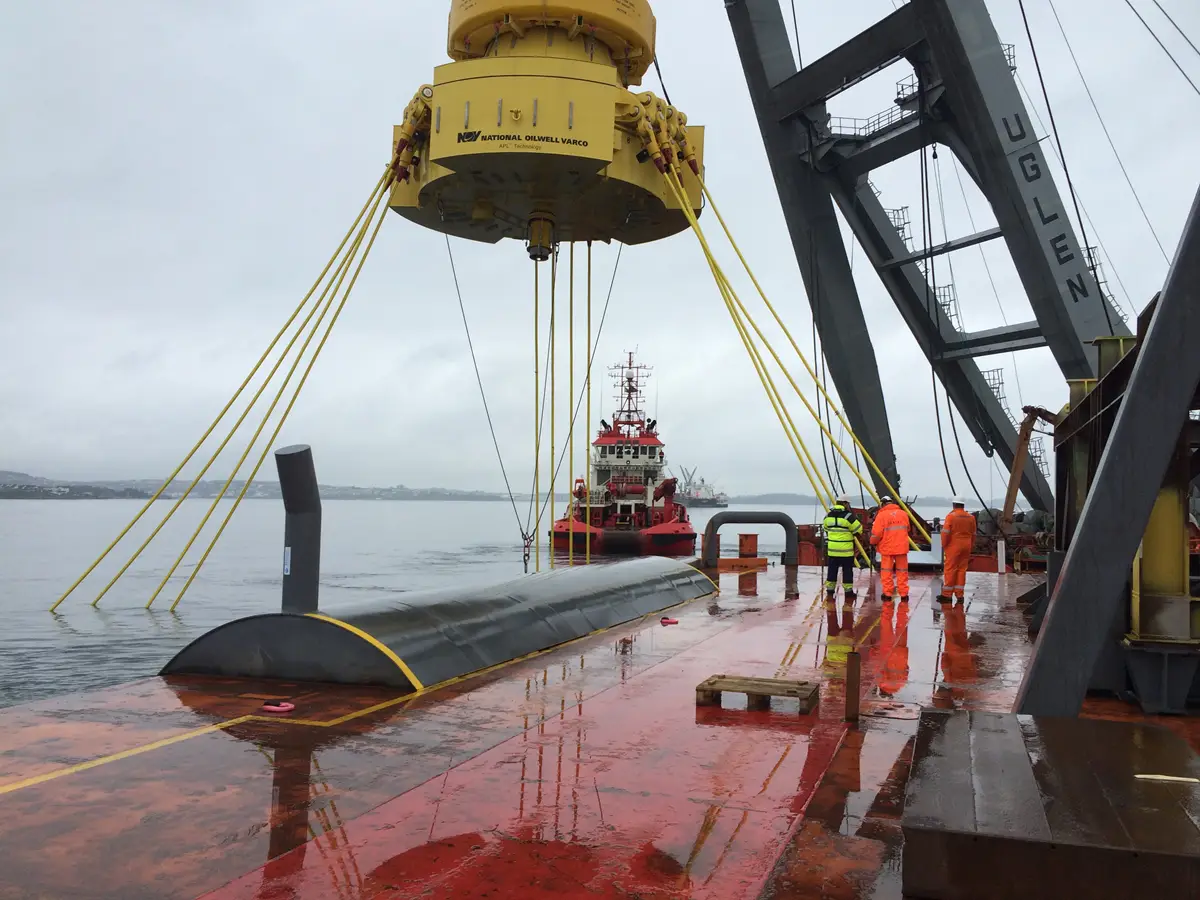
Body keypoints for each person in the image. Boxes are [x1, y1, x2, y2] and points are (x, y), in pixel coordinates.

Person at [822, 495, 863, 601]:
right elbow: (858, 529)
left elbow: (825, 528)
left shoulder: (828, 516)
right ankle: (848, 592)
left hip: (832, 550)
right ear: (845, 503)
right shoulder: (848, 516)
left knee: (832, 570)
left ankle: (830, 590)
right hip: (846, 551)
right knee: (847, 571)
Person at [870, 495, 910, 602]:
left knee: (887, 571)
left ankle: (887, 593)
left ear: (883, 504)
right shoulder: (903, 514)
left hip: (887, 548)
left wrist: (872, 542)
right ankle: (904, 594)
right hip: (901, 547)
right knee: (902, 571)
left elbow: (876, 533)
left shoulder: (881, 515)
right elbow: (908, 528)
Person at [940, 496, 977, 602]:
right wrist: (970, 545)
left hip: (954, 546)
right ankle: (960, 595)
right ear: (963, 505)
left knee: (950, 569)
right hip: (967, 545)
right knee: (962, 569)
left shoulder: (951, 517)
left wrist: (944, 545)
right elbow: (974, 534)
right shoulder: (971, 517)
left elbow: (945, 533)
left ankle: (947, 595)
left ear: (954, 505)